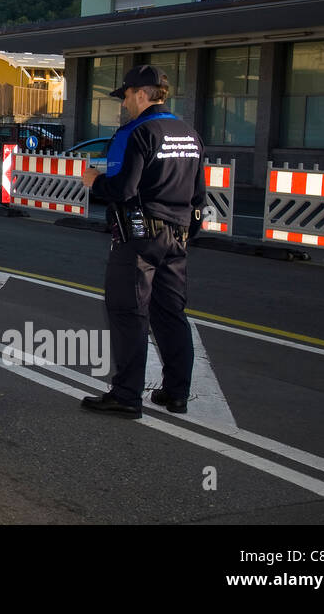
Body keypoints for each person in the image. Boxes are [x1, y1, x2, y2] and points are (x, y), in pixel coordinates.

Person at [79, 65, 206, 419]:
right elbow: (199, 195)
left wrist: (94, 180)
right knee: (170, 314)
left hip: (138, 238)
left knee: (129, 313)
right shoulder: (189, 133)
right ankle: (176, 393)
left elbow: (123, 189)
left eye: (127, 98)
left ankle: (126, 396)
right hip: (177, 237)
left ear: (140, 93)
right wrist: (183, 233)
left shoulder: (135, 133)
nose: (125, 106)